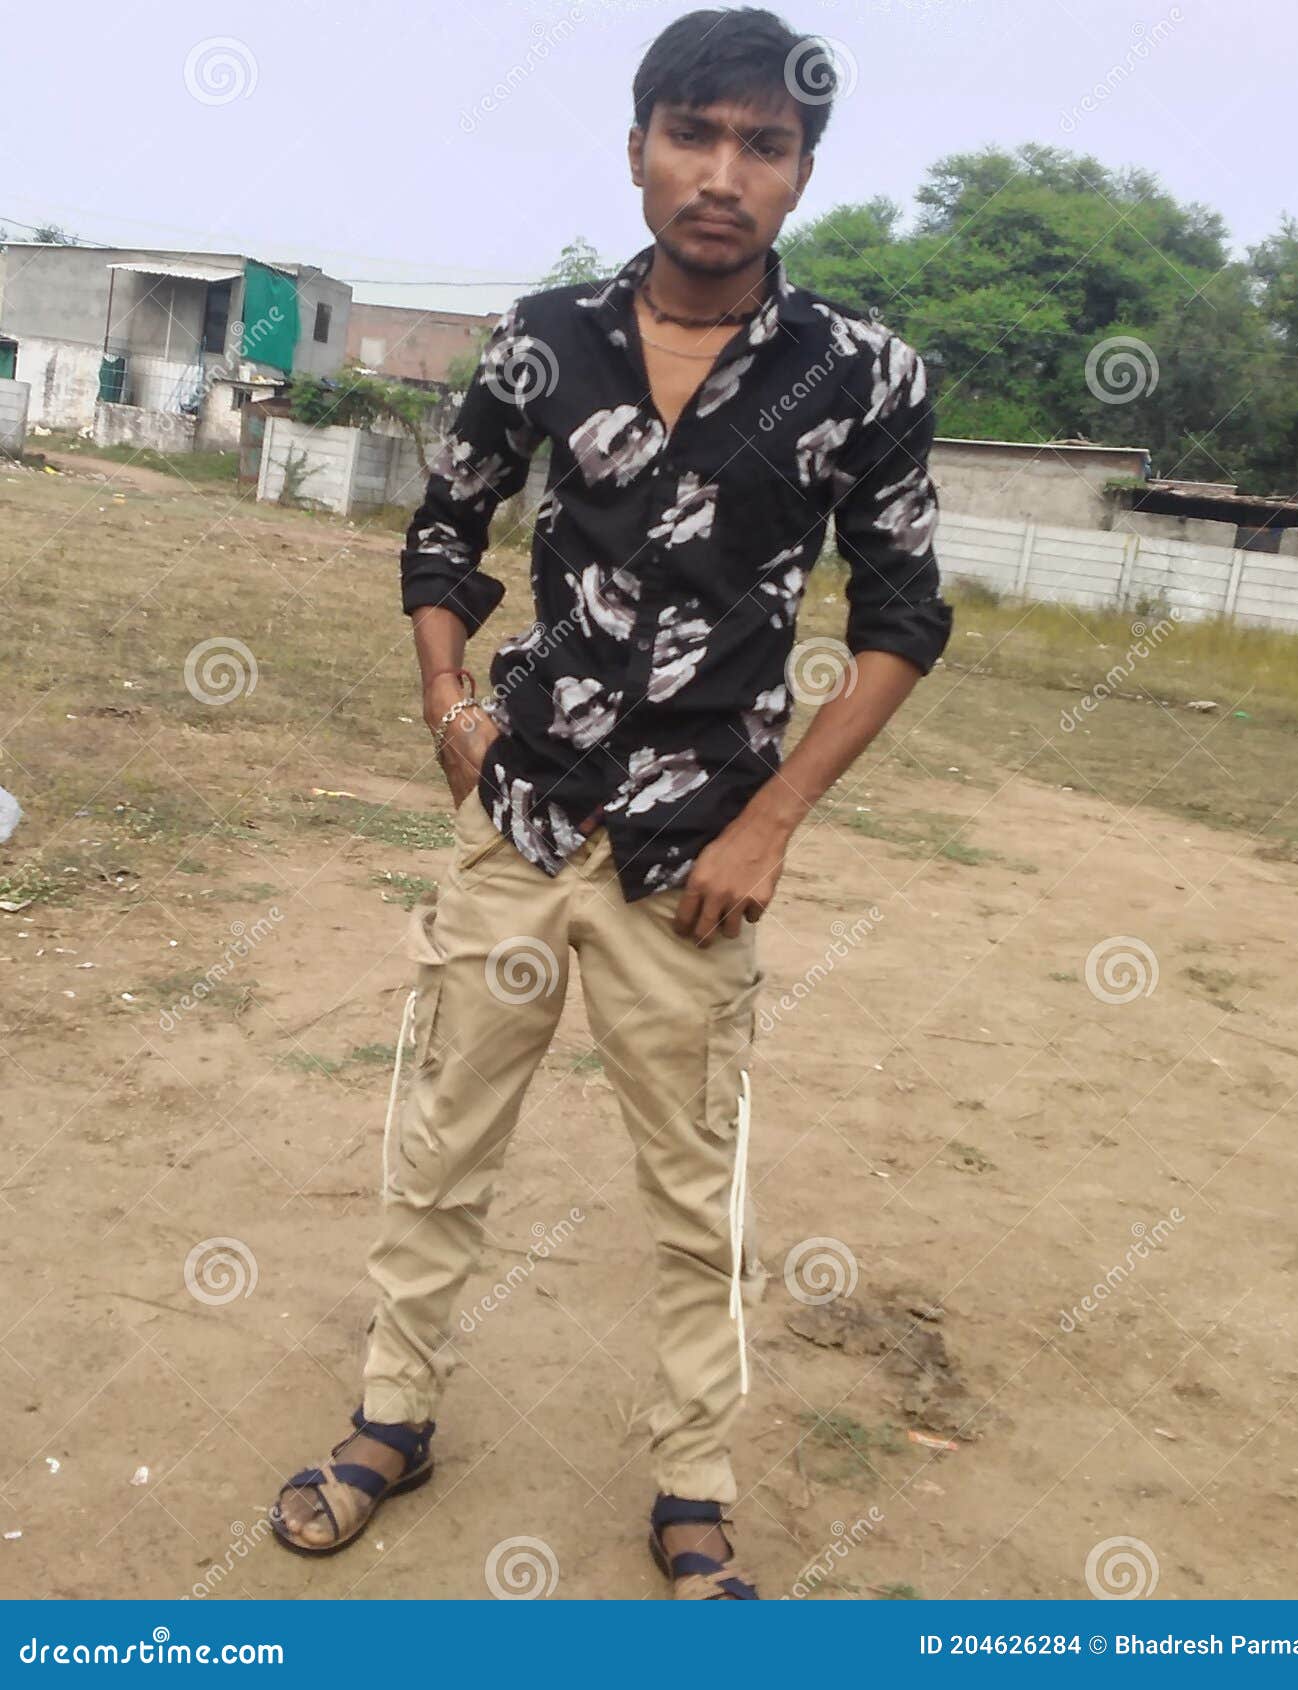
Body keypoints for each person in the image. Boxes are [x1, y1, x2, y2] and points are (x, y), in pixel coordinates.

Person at [270, 4, 952, 1599]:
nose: (722, 174)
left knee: (691, 1184)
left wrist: (772, 820)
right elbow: (444, 531)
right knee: (441, 1137)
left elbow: (903, 616)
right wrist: (450, 705)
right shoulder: (540, 338)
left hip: (698, 856)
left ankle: (693, 1489)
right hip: (518, 821)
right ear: (638, 148)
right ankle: (392, 1414)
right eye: (691, 137)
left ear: (800, 173)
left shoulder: (863, 374)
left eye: (761, 147)